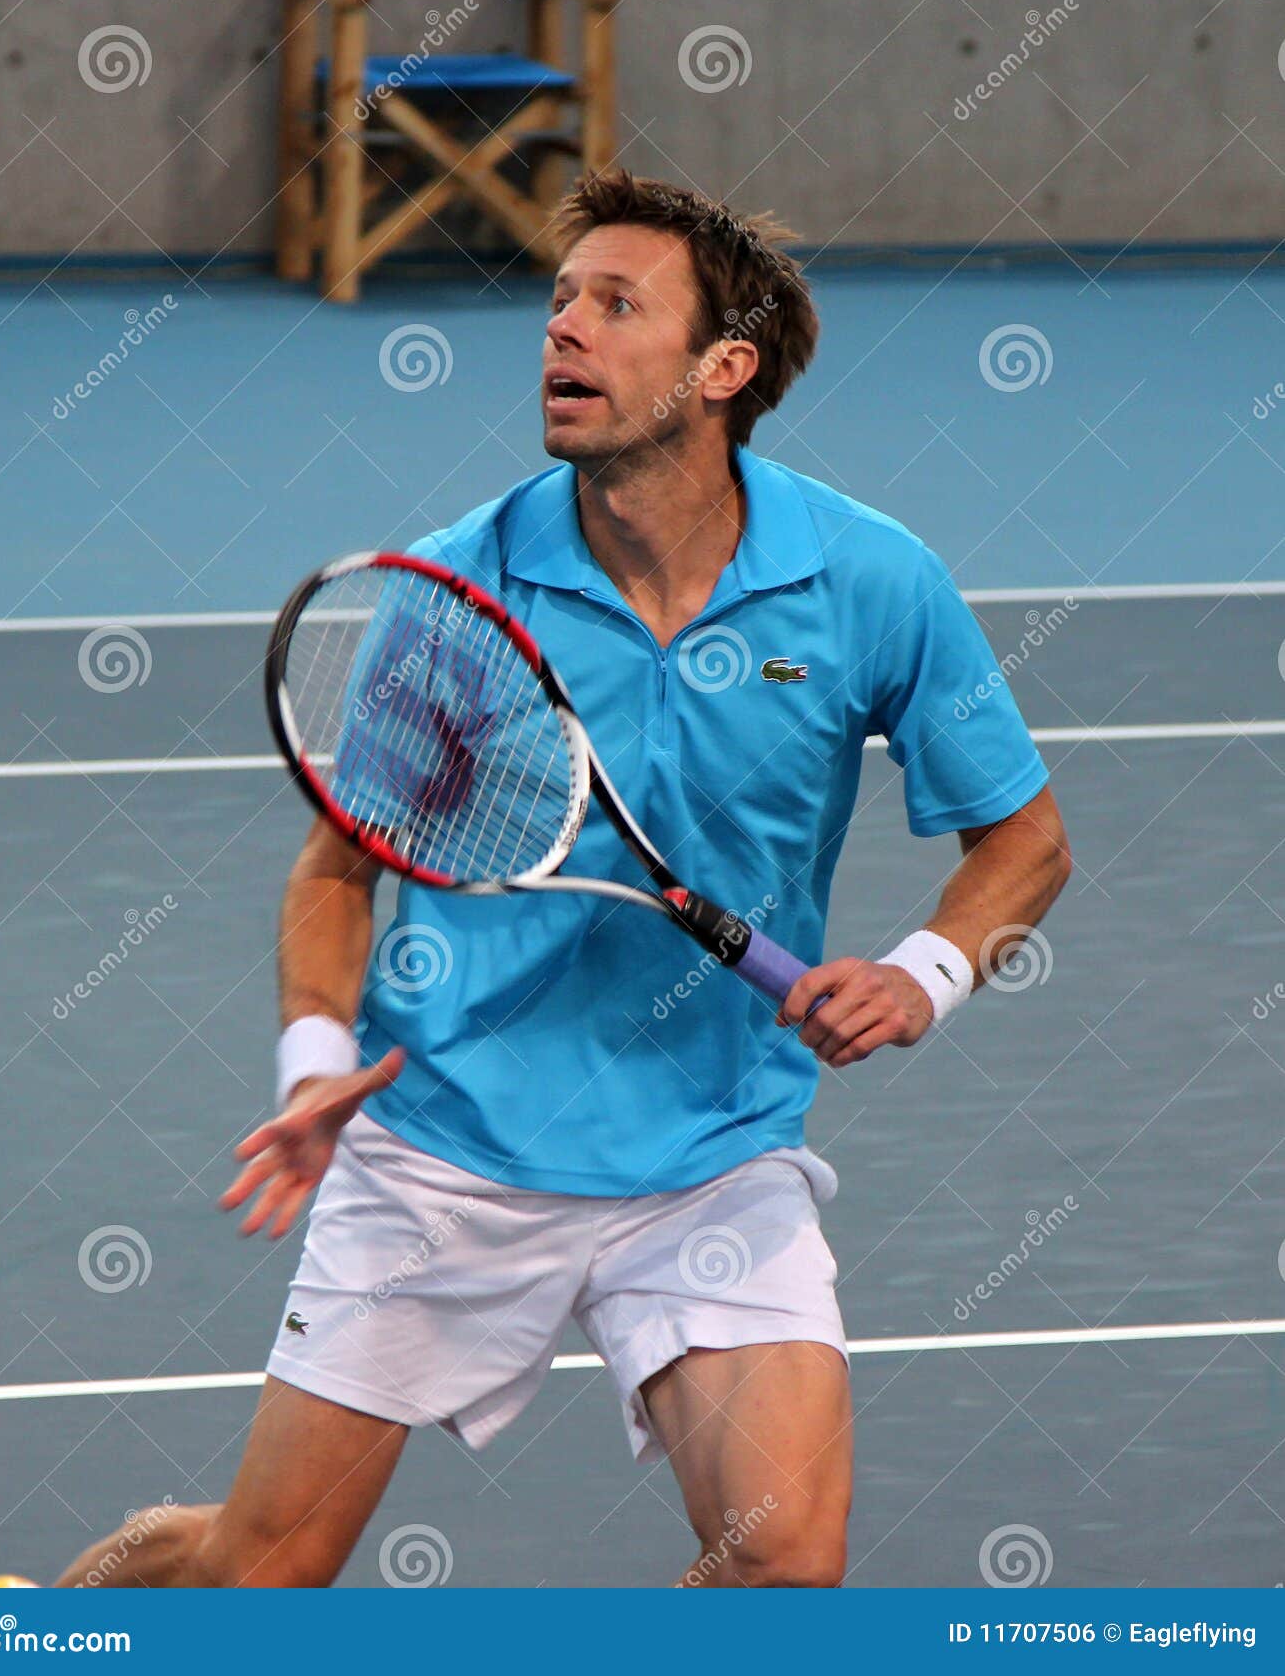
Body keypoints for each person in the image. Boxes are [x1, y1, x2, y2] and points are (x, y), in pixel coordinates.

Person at [58, 170, 1070, 1589]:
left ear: (723, 368)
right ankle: (101, 1595)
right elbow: (339, 870)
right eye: (556, 303)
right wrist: (308, 1069)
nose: (562, 334)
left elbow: (1023, 837)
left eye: (614, 305)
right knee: (257, 1577)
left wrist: (923, 972)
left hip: (710, 1159)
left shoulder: (868, 581)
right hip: (445, 1149)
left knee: (785, 1560)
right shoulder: (460, 589)